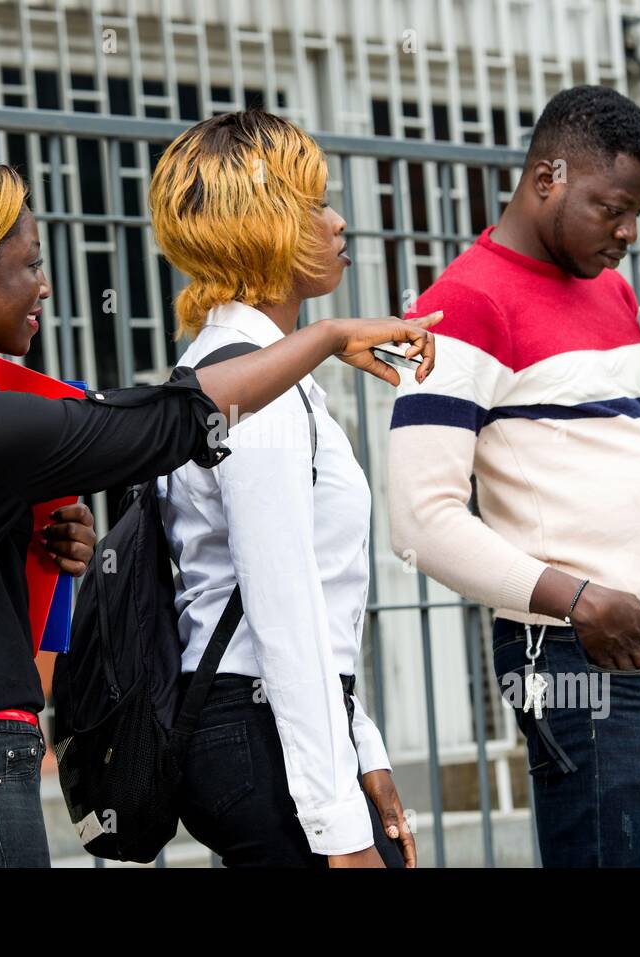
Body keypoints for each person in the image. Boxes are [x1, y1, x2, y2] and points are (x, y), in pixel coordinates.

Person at [0, 137, 438, 867]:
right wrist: (326, 336)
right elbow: (165, 421)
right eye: (31, 263)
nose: (43, 286)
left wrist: (22, 538)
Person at [387, 85, 640, 867]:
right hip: (585, 657)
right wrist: (580, 601)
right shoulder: (462, 305)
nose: (628, 232)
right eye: (612, 207)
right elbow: (419, 521)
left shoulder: (609, 291)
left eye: (639, 211)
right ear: (547, 177)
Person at [150, 109, 424, 868]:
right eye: (314, 204)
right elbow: (282, 601)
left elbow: (312, 607)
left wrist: (361, 745)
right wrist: (341, 830)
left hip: (268, 723)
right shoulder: (251, 386)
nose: (339, 223)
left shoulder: (257, 371)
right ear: (262, 224)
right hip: (255, 725)